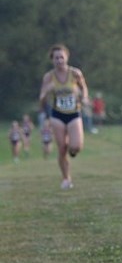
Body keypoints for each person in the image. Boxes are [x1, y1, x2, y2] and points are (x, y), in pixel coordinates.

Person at [37, 44, 90, 189]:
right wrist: (46, 92)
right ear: (52, 60)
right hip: (57, 114)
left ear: (66, 57)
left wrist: (84, 98)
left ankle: (73, 151)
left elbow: (83, 87)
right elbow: (41, 97)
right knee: (62, 148)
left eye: (61, 57)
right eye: (56, 58)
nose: (59, 60)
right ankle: (66, 178)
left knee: (76, 146)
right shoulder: (49, 77)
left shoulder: (75, 73)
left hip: (74, 113)